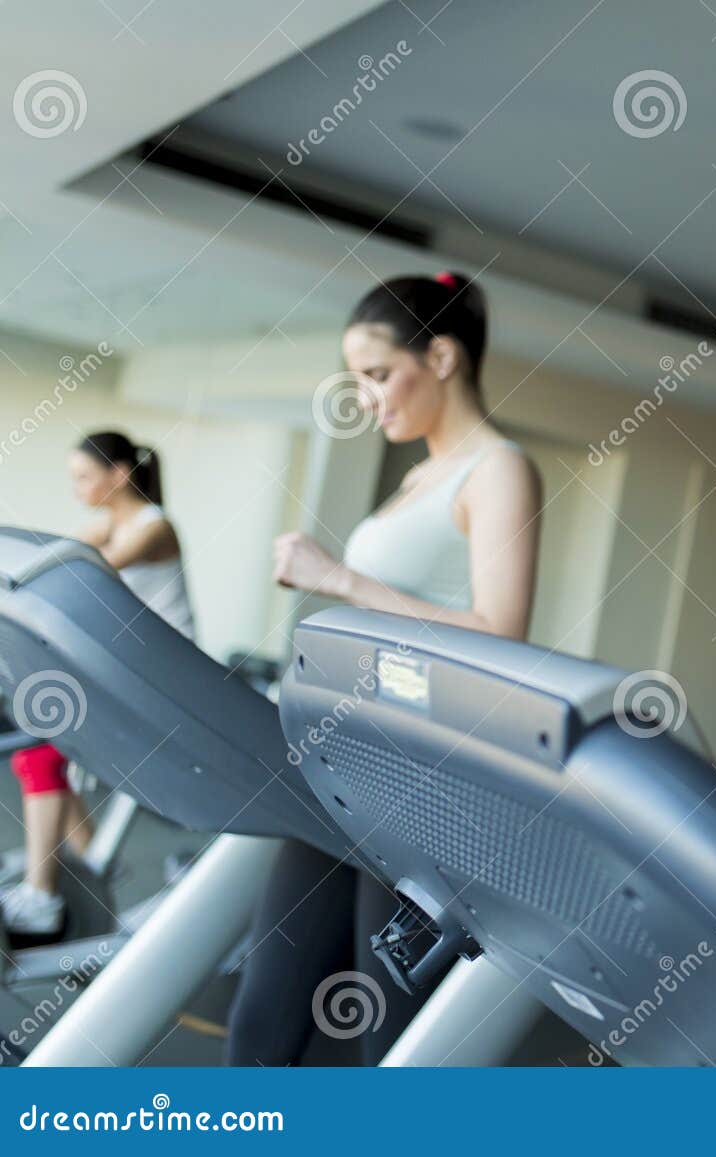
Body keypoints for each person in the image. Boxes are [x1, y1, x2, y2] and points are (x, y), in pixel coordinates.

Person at [225, 271, 541, 1066]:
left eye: (377, 374)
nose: (366, 397)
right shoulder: (415, 477)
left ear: (439, 356)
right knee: (264, 1017)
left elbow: (500, 634)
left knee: (389, 1042)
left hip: (422, 782)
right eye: (356, 380)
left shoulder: (499, 468)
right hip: (347, 762)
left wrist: (339, 579)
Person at [2, 431, 196, 945]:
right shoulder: (108, 524)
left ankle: (42, 895)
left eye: (85, 477)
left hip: (167, 688)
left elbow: (86, 573)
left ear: (121, 475)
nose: (77, 488)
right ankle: (93, 870)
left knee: (41, 756)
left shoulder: (155, 526)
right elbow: (48, 562)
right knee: (37, 756)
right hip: (126, 677)